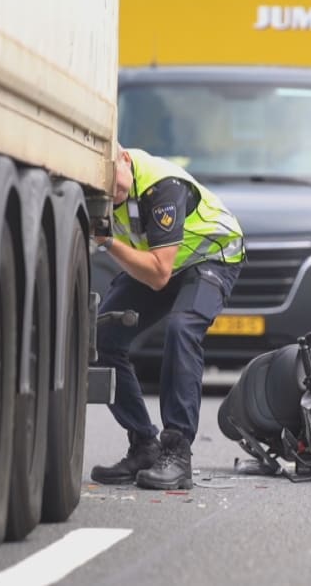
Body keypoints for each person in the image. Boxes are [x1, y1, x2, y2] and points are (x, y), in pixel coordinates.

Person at [90, 146, 246, 490]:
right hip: (168, 262)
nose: (112, 192)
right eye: (104, 188)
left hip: (212, 257)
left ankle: (177, 454)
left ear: (126, 160)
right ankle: (144, 445)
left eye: (115, 182)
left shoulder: (162, 187)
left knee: (181, 329)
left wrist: (106, 242)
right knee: (102, 337)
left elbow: (159, 273)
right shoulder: (100, 192)